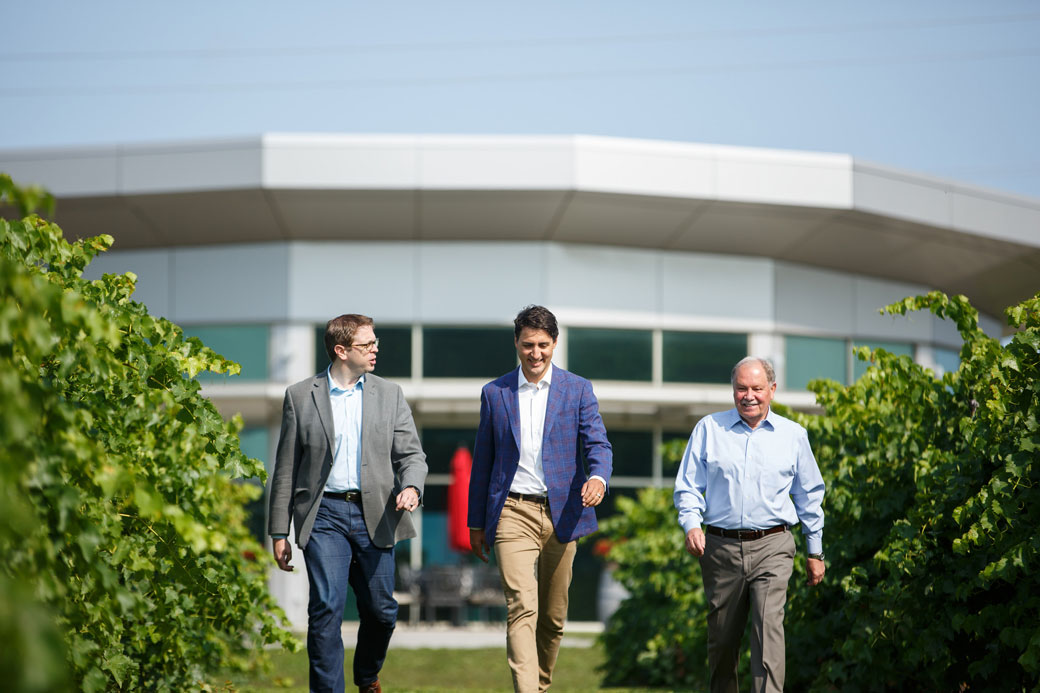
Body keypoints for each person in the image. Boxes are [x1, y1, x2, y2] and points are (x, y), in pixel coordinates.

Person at [267, 314, 427, 693]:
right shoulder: (300, 396)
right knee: (325, 609)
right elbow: (286, 468)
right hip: (324, 516)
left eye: (375, 342)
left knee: (382, 611)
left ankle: (367, 676)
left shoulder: (390, 395)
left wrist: (412, 488)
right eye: (366, 344)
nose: (375, 350)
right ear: (341, 350)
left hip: (377, 514)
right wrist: (279, 531)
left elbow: (412, 456)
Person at [468, 305, 613, 693]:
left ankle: (540, 683)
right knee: (521, 607)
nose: (536, 353)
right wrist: (476, 522)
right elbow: (482, 462)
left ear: (555, 344)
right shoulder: (495, 393)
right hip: (513, 510)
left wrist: (598, 477)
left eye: (543, 345)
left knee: (552, 617)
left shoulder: (577, 389)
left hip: (563, 512)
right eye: (528, 344)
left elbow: (597, 443)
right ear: (516, 343)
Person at [674, 356, 825, 693]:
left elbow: (810, 495)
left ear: (771, 389)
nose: (749, 395)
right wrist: (692, 524)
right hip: (720, 548)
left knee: (767, 630)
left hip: (773, 545)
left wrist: (815, 549)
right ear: (733, 391)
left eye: (757, 388)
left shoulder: (793, 435)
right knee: (723, 641)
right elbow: (688, 486)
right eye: (741, 388)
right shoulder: (709, 430)